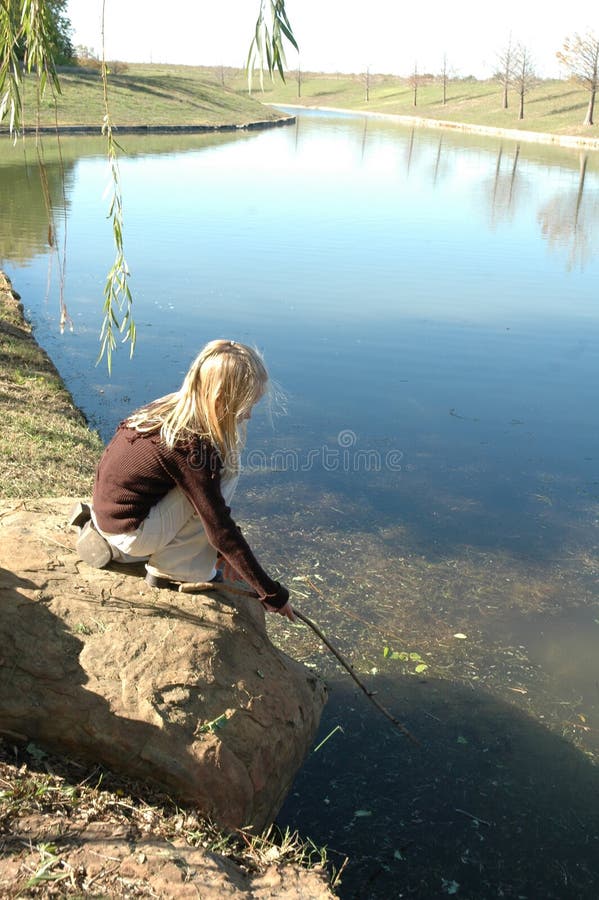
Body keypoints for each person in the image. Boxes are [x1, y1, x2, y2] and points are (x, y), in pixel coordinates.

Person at [71, 339, 294, 621]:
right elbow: (220, 528)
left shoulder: (170, 408)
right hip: (129, 532)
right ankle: (175, 568)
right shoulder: (192, 445)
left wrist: (223, 555)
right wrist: (271, 594)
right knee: (222, 474)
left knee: (205, 483)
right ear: (221, 400)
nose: (248, 414)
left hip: (111, 518)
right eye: (245, 405)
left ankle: (124, 549)